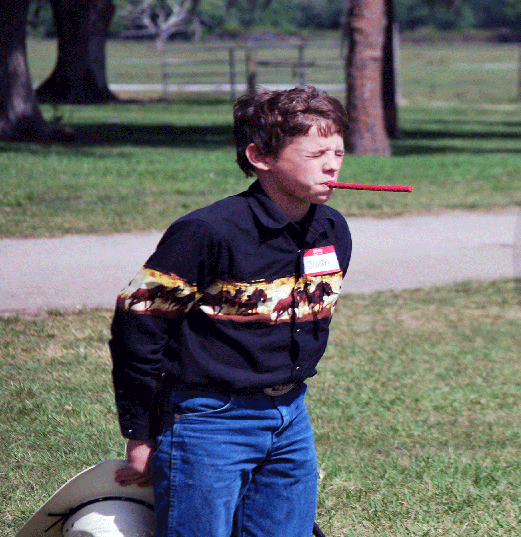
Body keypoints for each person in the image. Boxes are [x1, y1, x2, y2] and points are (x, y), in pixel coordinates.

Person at [108, 85, 353, 537]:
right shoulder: (206, 232)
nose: (333, 164)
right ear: (260, 156)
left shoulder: (331, 229)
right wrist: (141, 433)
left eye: (338, 150)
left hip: (291, 414)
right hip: (209, 422)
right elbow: (138, 327)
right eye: (316, 152)